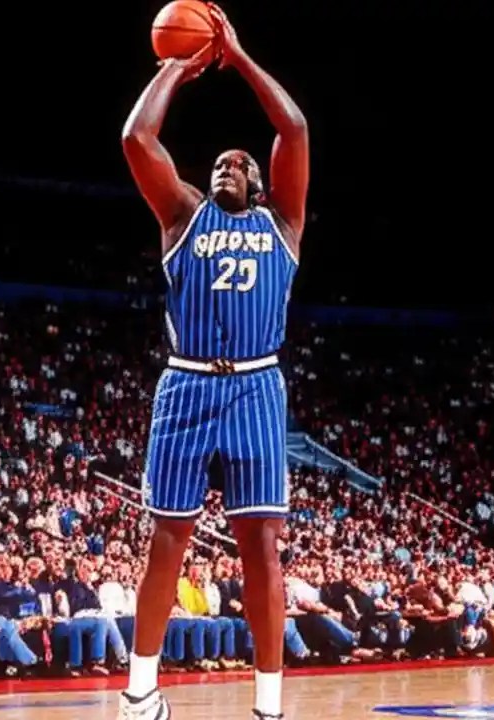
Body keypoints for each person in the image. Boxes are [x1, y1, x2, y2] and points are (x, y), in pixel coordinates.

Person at [118, 3, 309, 719]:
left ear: (260, 186)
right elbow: (137, 135)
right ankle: (140, 694)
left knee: (261, 547)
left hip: (259, 387)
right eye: (220, 162)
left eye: (242, 163)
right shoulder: (181, 216)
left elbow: (293, 129)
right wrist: (179, 64)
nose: (229, 164)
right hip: (187, 386)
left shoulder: (282, 225)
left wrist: (239, 56)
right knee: (166, 538)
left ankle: (267, 706)